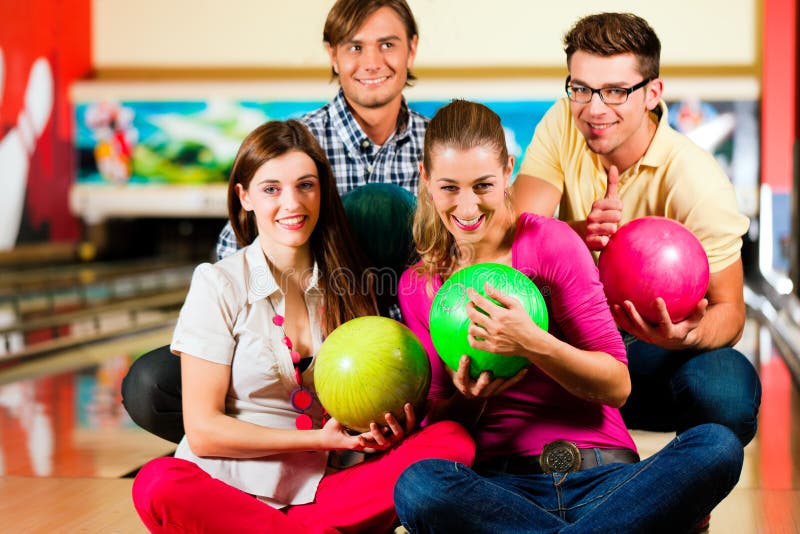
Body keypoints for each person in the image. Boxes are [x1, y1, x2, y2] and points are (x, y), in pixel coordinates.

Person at [392, 100, 743, 533]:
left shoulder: (550, 242)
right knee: (417, 485)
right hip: (503, 493)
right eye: (449, 188)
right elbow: (443, 427)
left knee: (717, 445)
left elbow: (617, 385)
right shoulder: (419, 286)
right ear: (426, 179)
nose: (467, 207)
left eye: (482, 185)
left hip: (606, 482)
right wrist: (471, 396)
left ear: (508, 172)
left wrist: (532, 342)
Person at [131, 119, 475, 534]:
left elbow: (359, 406)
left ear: (321, 192)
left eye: (305, 185)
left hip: (327, 489)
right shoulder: (218, 283)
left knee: (452, 439)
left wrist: (380, 430)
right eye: (271, 189)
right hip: (229, 489)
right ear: (244, 197)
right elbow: (203, 432)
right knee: (156, 483)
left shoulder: (349, 284)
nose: (292, 203)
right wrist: (317, 441)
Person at [121, 0, 426, 444]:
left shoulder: (437, 148)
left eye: (387, 44)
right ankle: (255, 445)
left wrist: (397, 349)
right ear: (332, 54)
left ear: (411, 49)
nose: (372, 61)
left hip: (397, 336)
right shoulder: (293, 143)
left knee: (383, 205)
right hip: (301, 334)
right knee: (151, 384)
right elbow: (234, 258)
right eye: (355, 46)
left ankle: (359, 438)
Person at [511, 13, 761, 448]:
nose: (594, 108)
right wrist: (577, 232)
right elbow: (510, 237)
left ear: (652, 93)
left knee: (726, 387)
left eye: (615, 92)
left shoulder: (697, 180)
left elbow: (731, 312)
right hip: (574, 343)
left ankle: (687, 490)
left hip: (653, 352)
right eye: (581, 88)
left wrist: (687, 334)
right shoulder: (562, 123)